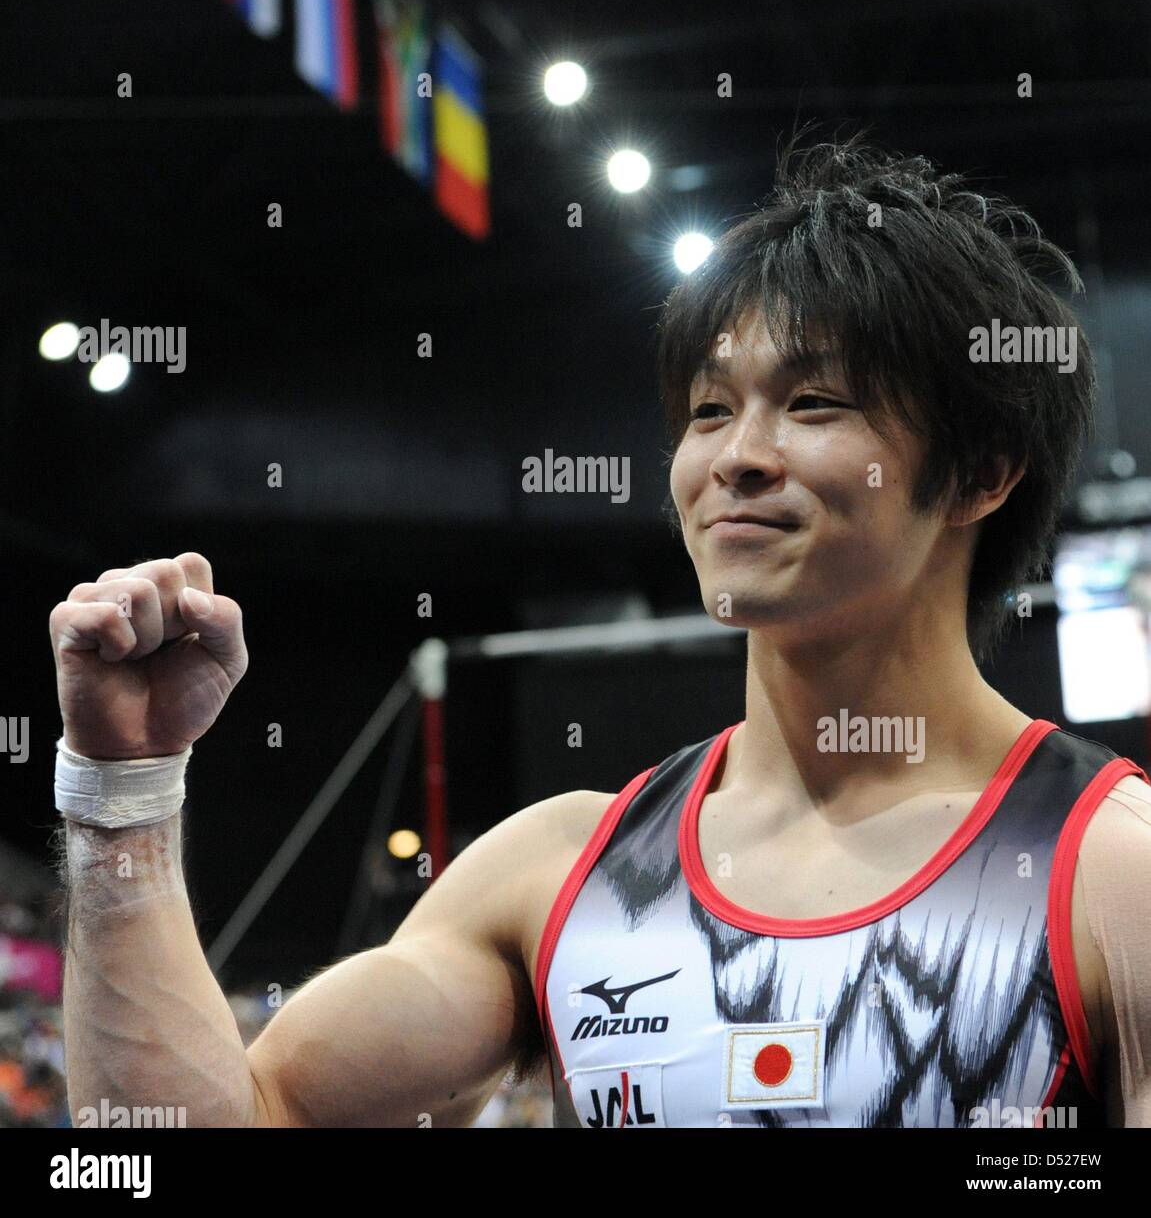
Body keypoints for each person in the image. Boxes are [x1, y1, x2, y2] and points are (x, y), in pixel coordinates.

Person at [49, 136, 1151, 1128]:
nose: (737, 456)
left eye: (813, 404)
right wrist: (124, 795)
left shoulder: (1108, 871)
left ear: (977, 474)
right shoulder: (557, 871)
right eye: (711, 410)